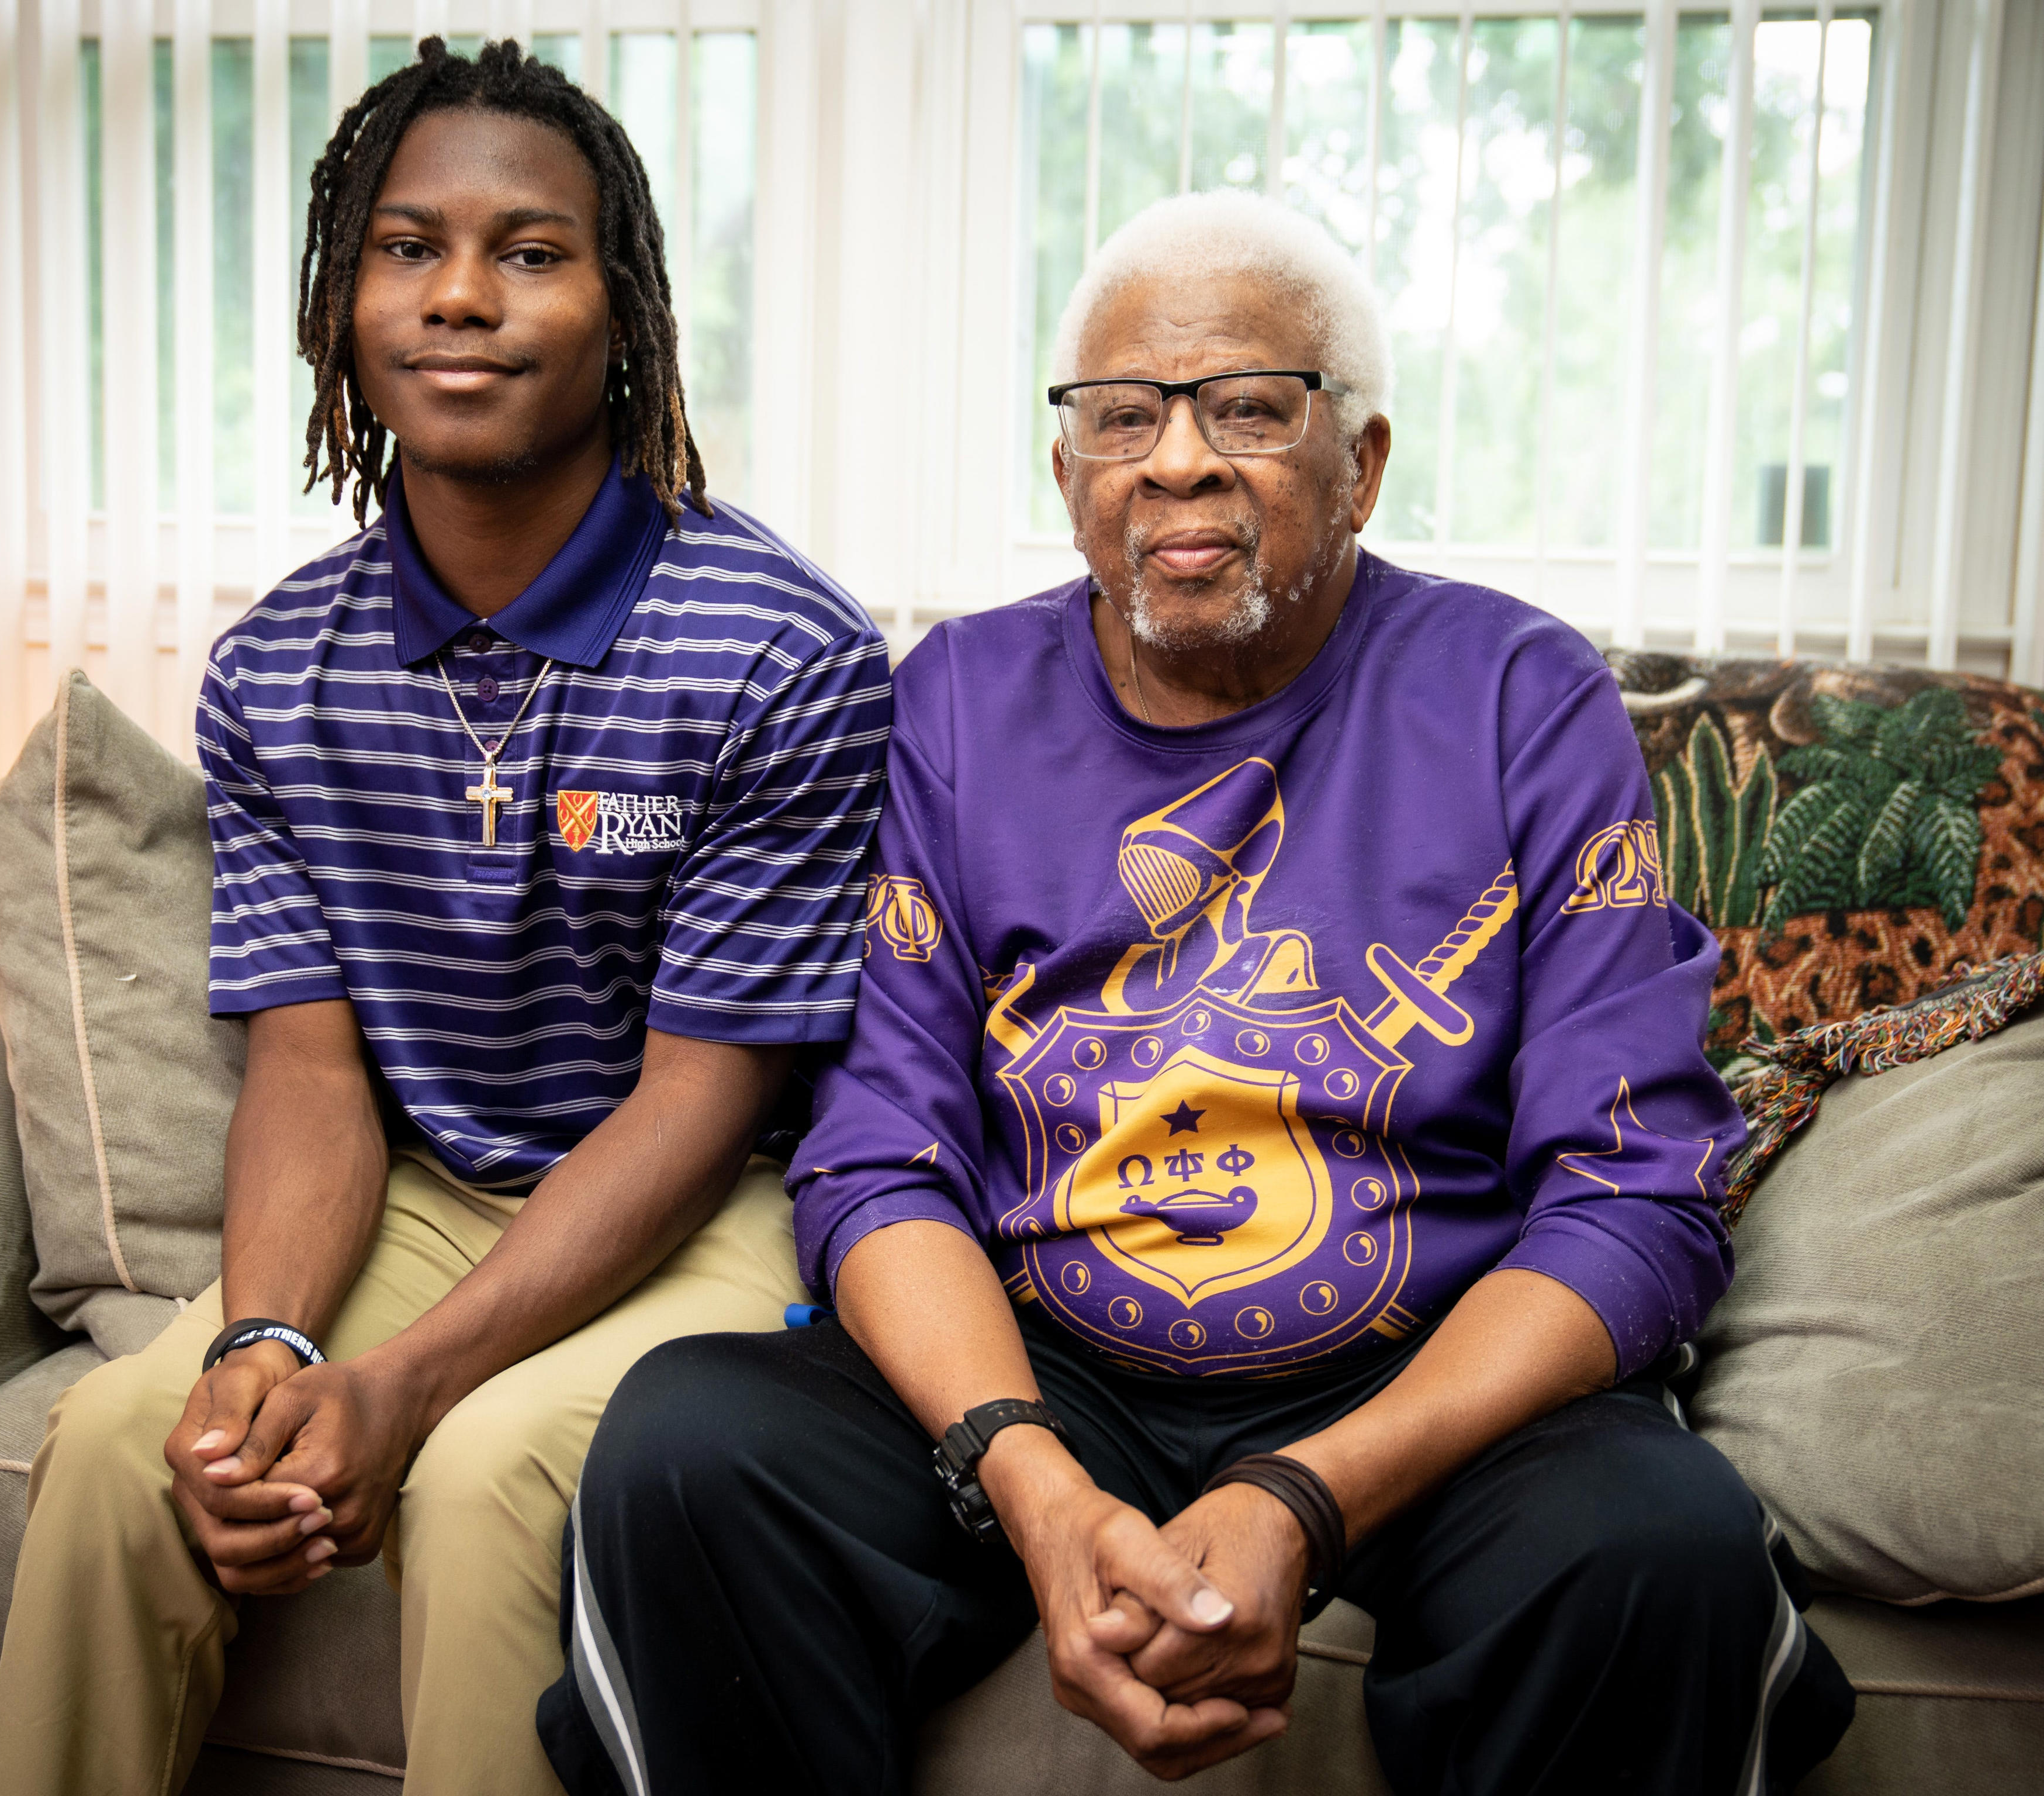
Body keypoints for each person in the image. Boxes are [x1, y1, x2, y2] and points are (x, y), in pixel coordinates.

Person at [537, 192, 1854, 1796]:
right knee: (690, 1449)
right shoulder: (958, 699)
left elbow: (1638, 1191)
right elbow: (881, 1155)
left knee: (1664, 1544)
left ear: (1360, 464)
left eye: (1246, 406)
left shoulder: (1521, 696)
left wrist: (1310, 1493)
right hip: (1053, 1355)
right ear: (1067, 472)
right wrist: (1029, 1478)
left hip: (1418, 1362)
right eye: (1121, 416)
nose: (1176, 461)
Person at [0, 39, 888, 1796]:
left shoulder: (781, 650)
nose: (461, 296)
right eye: (407, 248)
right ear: (341, 305)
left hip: (715, 1201)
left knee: (482, 1475)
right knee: (124, 1445)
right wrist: (272, 1349)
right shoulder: (275, 669)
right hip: (423, 1187)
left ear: (624, 309)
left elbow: (704, 1101)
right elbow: (312, 1078)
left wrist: (404, 1393)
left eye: (532, 252)